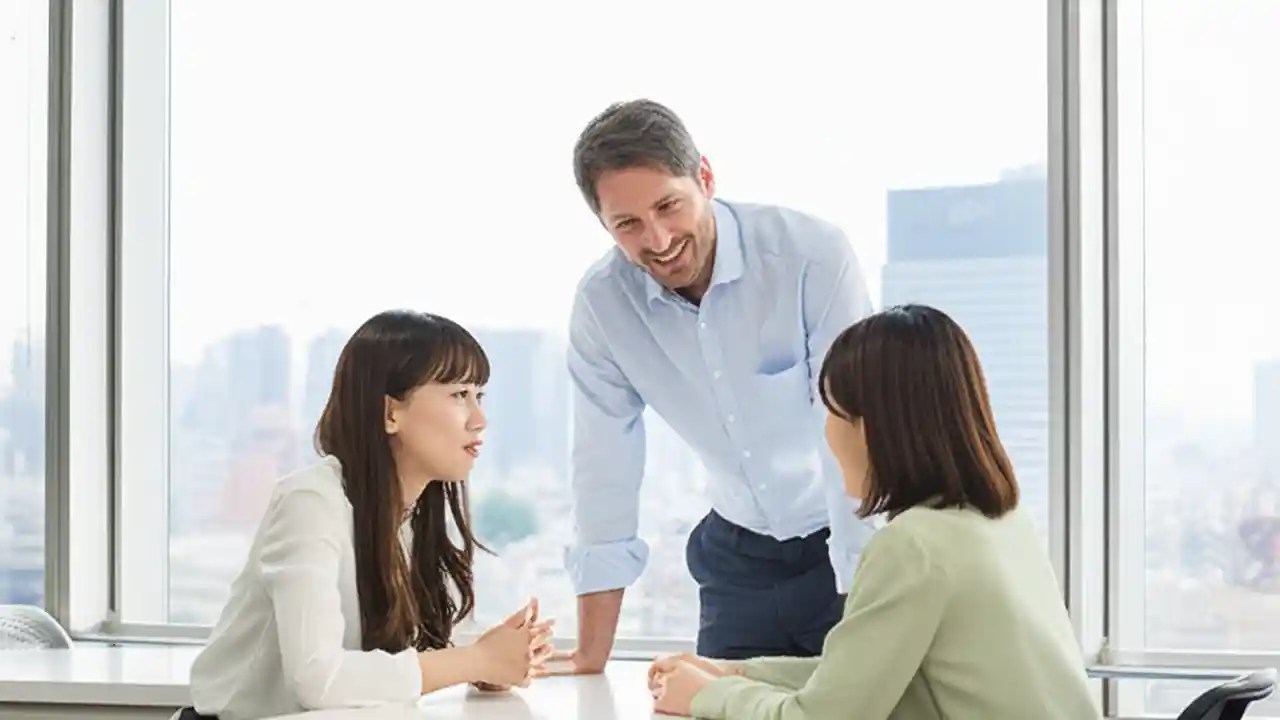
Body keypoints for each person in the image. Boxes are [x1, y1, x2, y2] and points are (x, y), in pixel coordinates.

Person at [648, 305, 1100, 719]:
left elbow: (825, 717)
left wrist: (705, 696)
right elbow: (864, 675)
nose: (826, 433)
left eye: (834, 412)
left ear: (877, 428)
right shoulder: (998, 519)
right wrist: (735, 674)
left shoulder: (912, 546)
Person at [556, 98, 876, 672]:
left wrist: (863, 604)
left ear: (704, 176)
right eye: (626, 224)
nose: (656, 240)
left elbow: (854, 426)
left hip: (845, 549)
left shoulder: (809, 256)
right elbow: (603, 469)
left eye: (668, 206)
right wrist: (590, 655)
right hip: (737, 562)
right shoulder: (604, 303)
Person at [184, 311, 554, 720]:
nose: (479, 420)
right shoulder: (311, 501)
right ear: (390, 413)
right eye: (458, 395)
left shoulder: (414, 512)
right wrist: (472, 662)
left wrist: (488, 660)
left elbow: (395, 652)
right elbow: (318, 679)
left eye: (478, 396)